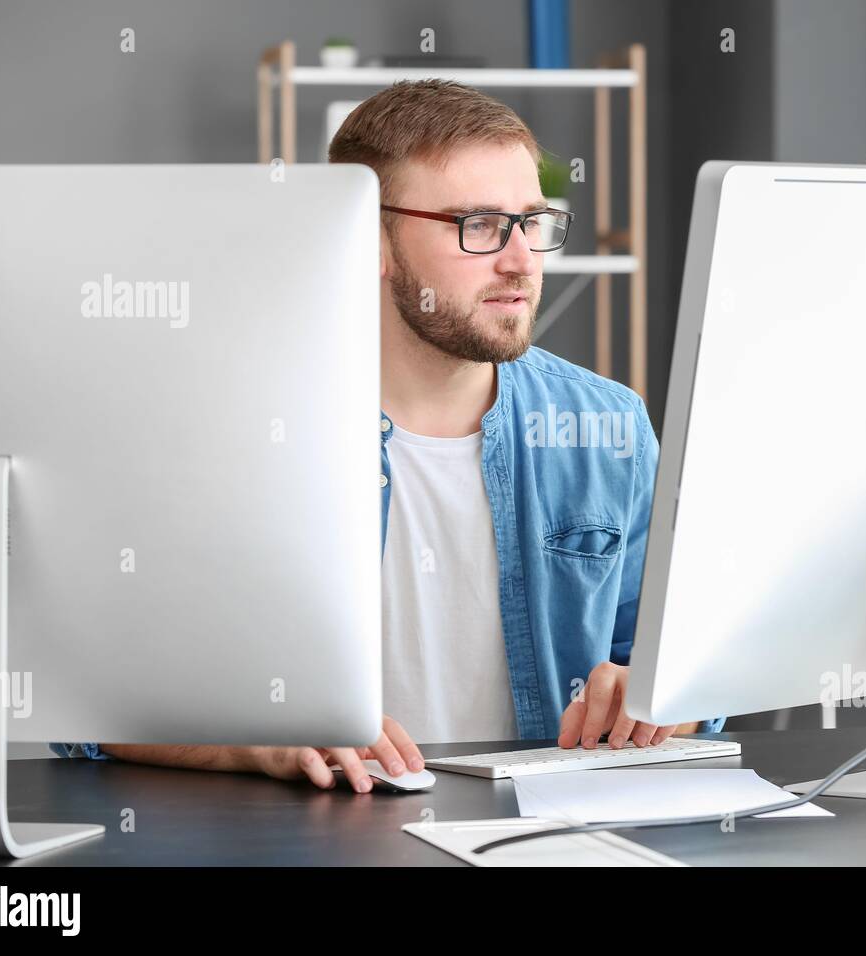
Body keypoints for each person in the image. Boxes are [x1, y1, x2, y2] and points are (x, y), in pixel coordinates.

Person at [52, 80, 722, 793]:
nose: (522, 260)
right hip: (320, 841)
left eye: (532, 221)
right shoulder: (224, 427)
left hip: (545, 838)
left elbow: (683, 683)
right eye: (479, 225)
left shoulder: (605, 426)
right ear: (366, 237)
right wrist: (256, 742)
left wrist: (649, 703)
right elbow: (89, 703)